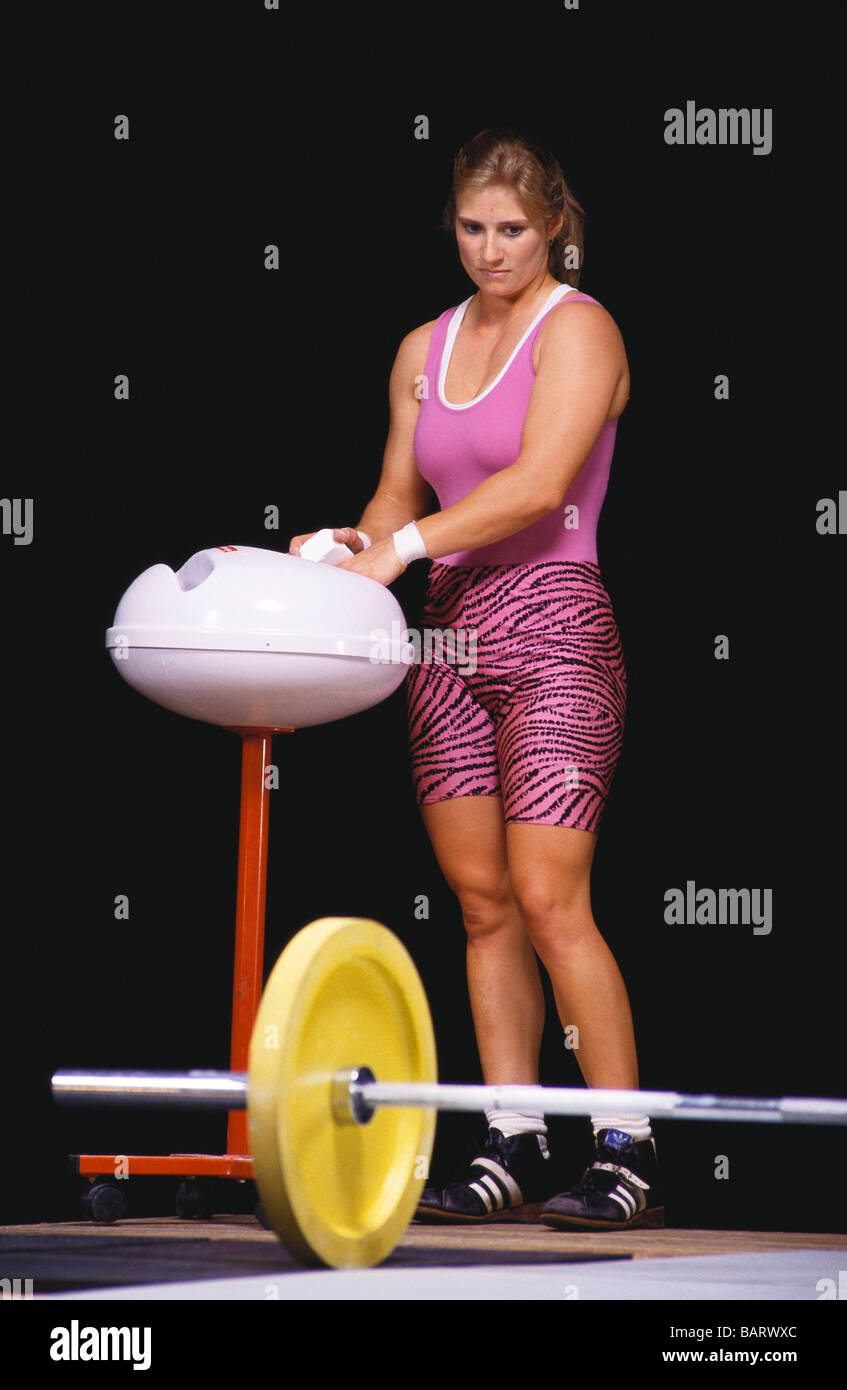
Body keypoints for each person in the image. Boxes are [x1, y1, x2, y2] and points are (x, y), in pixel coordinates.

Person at [289, 128, 662, 1230]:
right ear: (449, 224)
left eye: (512, 228)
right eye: (471, 228)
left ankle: (625, 1146)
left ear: (553, 224)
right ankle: (510, 1139)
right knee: (482, 903)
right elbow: (396, 496)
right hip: (448, 639)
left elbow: (541, 486)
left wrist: (400, 554)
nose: (492, 249)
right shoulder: (420, 346)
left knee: (551, 901)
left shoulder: (580, 330)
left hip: (553, 628)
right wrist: (346, 549)